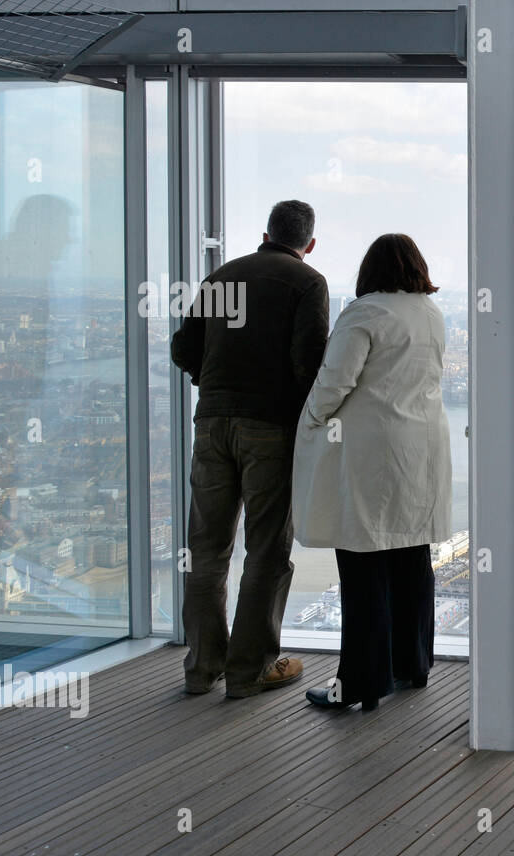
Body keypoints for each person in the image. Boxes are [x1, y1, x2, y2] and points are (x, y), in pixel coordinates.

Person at [171, 199, 328, 698]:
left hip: (212, 423)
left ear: (266, 232)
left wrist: (209, 383)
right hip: (270, 429)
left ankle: (201, 669)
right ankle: (249, 671)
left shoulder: (223, 277)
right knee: (266, 551)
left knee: (207, 551)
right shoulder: (308, 282)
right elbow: (309, 361)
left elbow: (182, 348)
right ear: (309, 243)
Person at [293, 234, 452, 712]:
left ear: (370, 270)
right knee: (411, 558)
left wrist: (313, 418)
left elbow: (335, 381)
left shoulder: (364, 313)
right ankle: (412, 664)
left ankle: (362, 683)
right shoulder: (432, 314)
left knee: (363, 564)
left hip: (370, 451)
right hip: (422, 447)